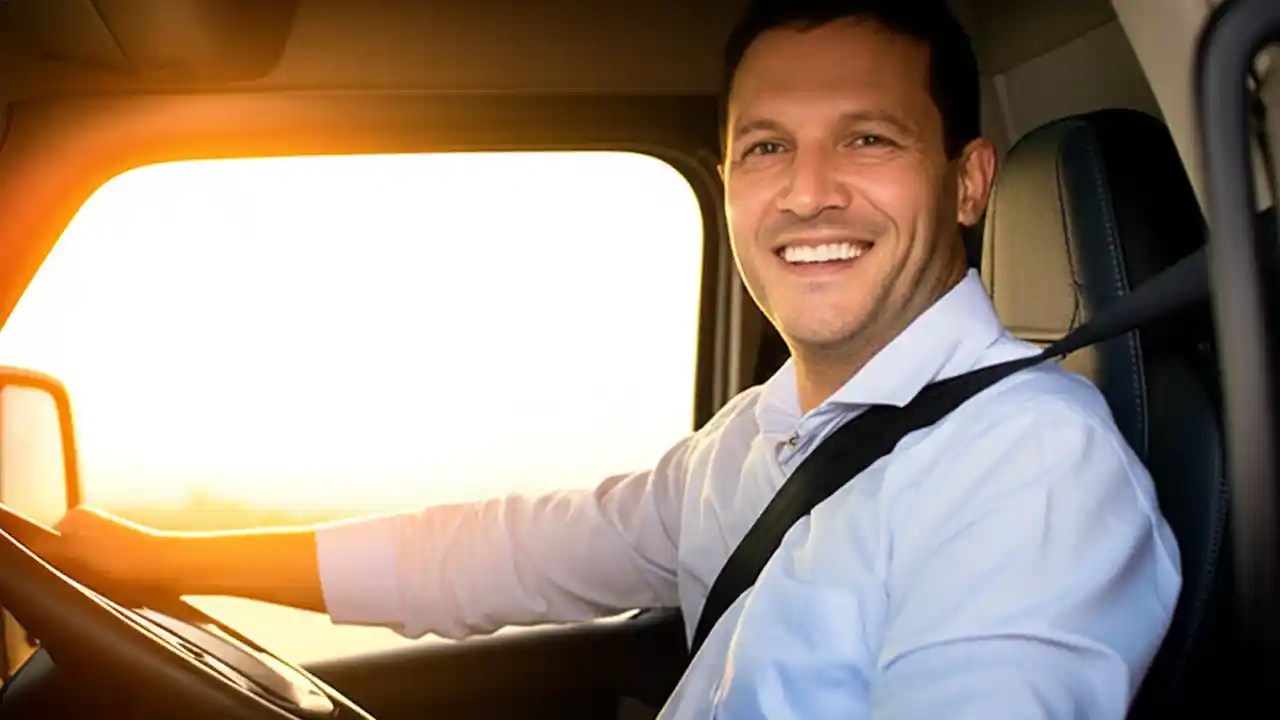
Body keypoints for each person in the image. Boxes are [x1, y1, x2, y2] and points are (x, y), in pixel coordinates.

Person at [1, 0, 1180, 717]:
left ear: (965, 181)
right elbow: (503, 553)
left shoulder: (1029, 473)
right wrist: (168, 563)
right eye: (765, 148)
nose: (807, 191)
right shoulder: (759, 436)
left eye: (865, 139)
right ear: (727, 186)